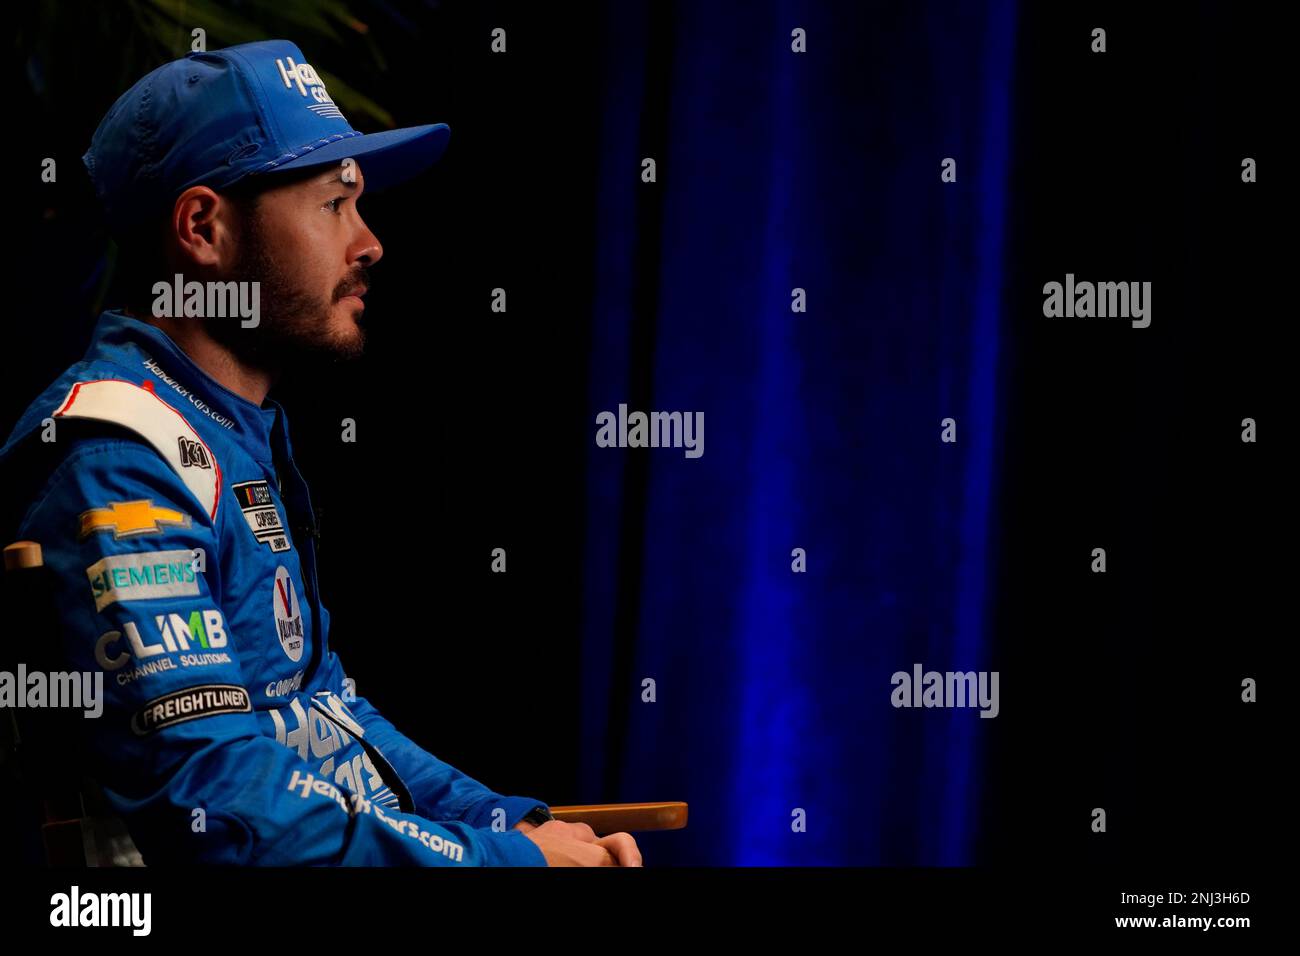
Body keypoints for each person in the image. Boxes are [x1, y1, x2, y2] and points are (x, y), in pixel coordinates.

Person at [0, 39, 640, 867]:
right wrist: (505, 864)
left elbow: (321, 708)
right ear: (203, 230)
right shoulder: (121, 456)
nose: (370, 243)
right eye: (334, 204)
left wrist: (504, 825)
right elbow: (214, 801)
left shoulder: (221, 429)